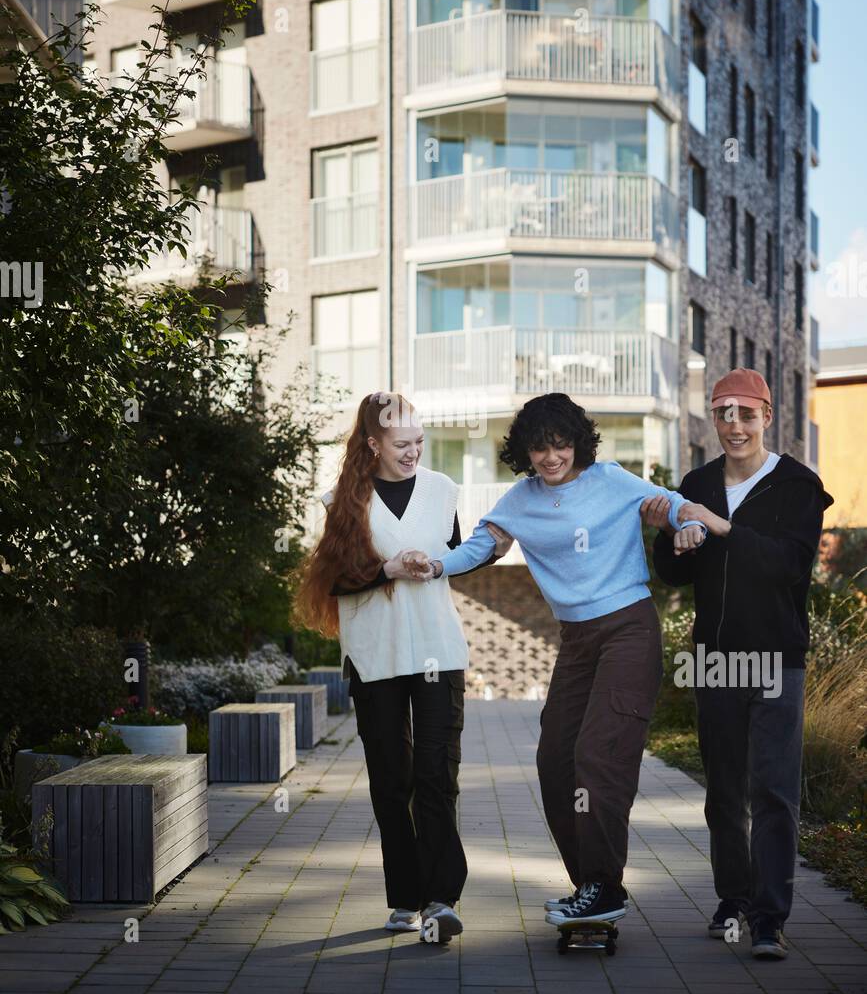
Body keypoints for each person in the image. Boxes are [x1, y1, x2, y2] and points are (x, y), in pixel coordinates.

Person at [407, 393, 707, 930]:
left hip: (628, 630)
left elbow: (676, 505)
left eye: (561, 444)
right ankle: (589, 886)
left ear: (577, 443)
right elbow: (482, 544)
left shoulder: (612, 480)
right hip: (576, 642)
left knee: (599, 756)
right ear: (525, 451)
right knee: (555, 762)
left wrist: (690, 527)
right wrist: (435, 566)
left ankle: (603, 885)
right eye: (539, 447)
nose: (551, 457)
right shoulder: (520, 500)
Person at [294, 391, 507, 940]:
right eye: (402, 444)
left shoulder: (442, 491)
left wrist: (490, 550)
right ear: (373, 443)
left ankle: (440, 899)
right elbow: (333, 581)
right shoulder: (342, 499)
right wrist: (388, 567)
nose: (414, 452)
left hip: (437, 650)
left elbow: (454, 558)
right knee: (393, 781)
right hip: (374, 656)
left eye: (419, 442)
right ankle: (404, 897)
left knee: (437, 775)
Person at [650, 368, 833, 960]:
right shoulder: (695, 483)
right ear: (712, 416)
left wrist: (722, 527)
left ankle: (769, 917)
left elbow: (789, 567)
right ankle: (733, 900)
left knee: (773, 791)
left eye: (745, 413)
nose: (733, 425)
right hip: (715, 661)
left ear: (767, 416)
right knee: (724, 789)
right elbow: (673, 575)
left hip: (777, 659)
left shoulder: (799, 486)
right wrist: (675, 539)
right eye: (722, 412)